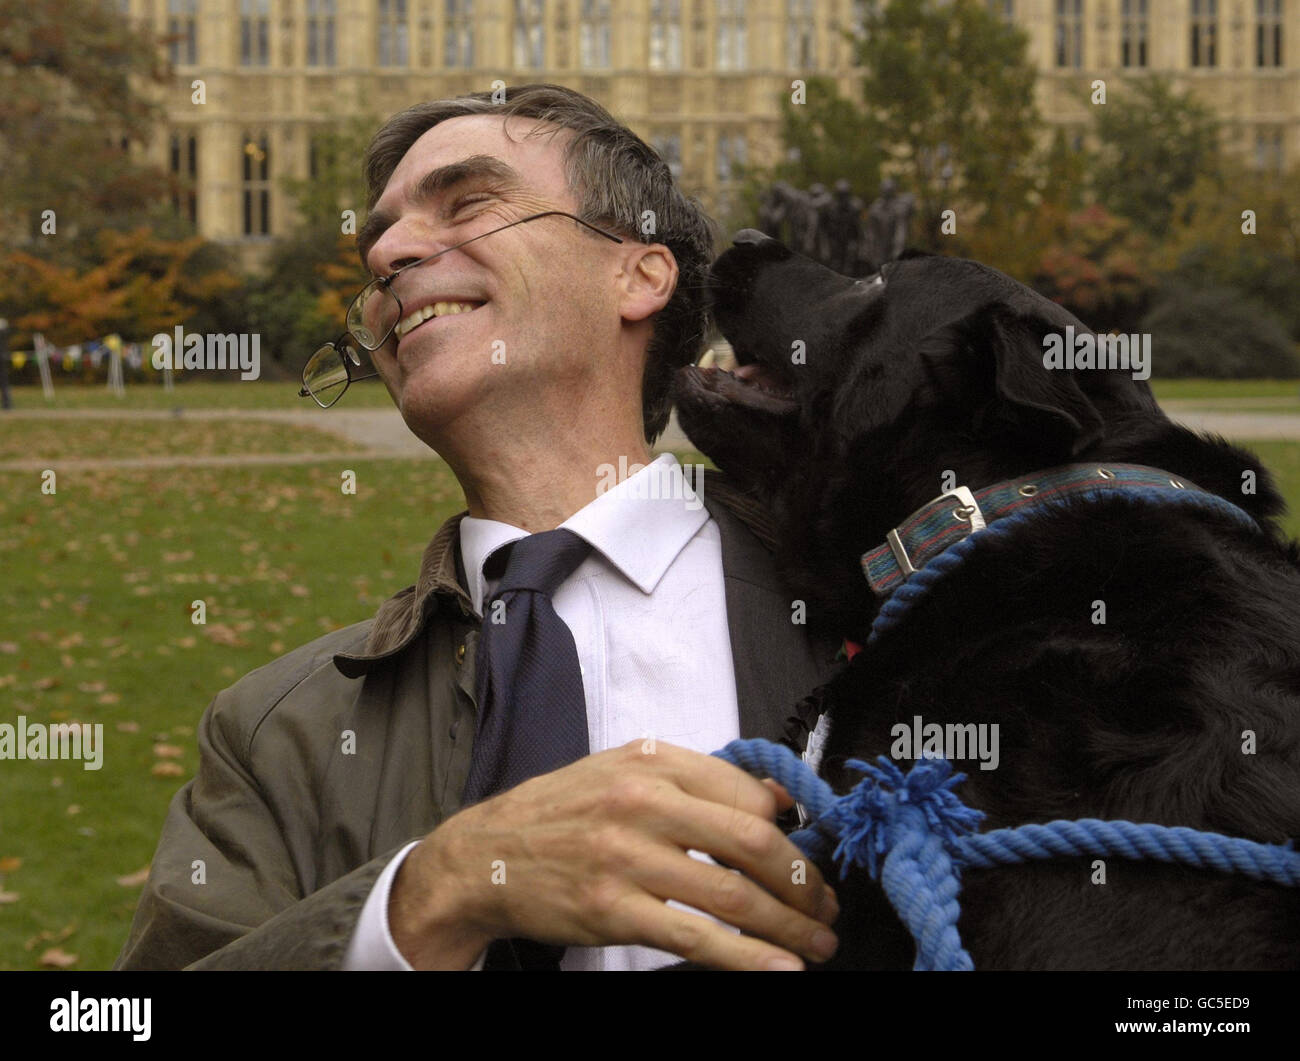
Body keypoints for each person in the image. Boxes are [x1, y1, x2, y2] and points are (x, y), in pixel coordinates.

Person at [115, 84, 843, 972]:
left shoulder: (881, 610)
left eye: (468, 203)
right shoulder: (273, 733)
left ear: (638, 274)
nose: (386, 252)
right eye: (375, 239)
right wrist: (424, 900)